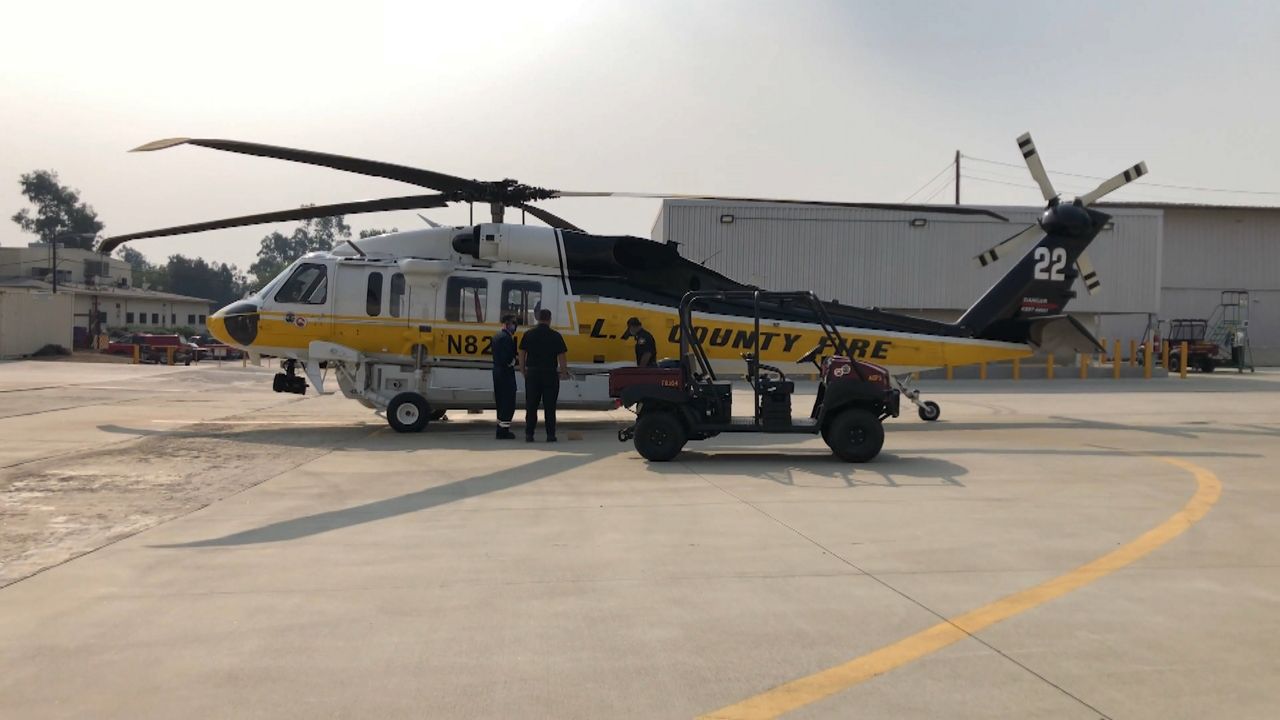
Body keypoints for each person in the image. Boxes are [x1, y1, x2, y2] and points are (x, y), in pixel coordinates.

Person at [519, 308, 569, 442]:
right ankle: (550, 435)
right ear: (549, 319)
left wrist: (522, 369)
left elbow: (522, 352)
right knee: (550, 406)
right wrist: (563, 372)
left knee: (531, 405)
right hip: (550, 373)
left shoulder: (528, 334)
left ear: (538, 318)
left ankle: (529, 434)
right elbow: (562, 356)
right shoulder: (556, 335)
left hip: (533, 373)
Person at [491, 314, 520, 440]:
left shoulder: (497, 336)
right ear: (507, 324)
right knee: (508, 402)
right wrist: (516, 361)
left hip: (497, 372)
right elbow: (507, 359)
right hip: (505, 373)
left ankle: (500, 428)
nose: (515, 326)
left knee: (501, 402)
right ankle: (503, 431)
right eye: (513, 323)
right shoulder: (506, 338)